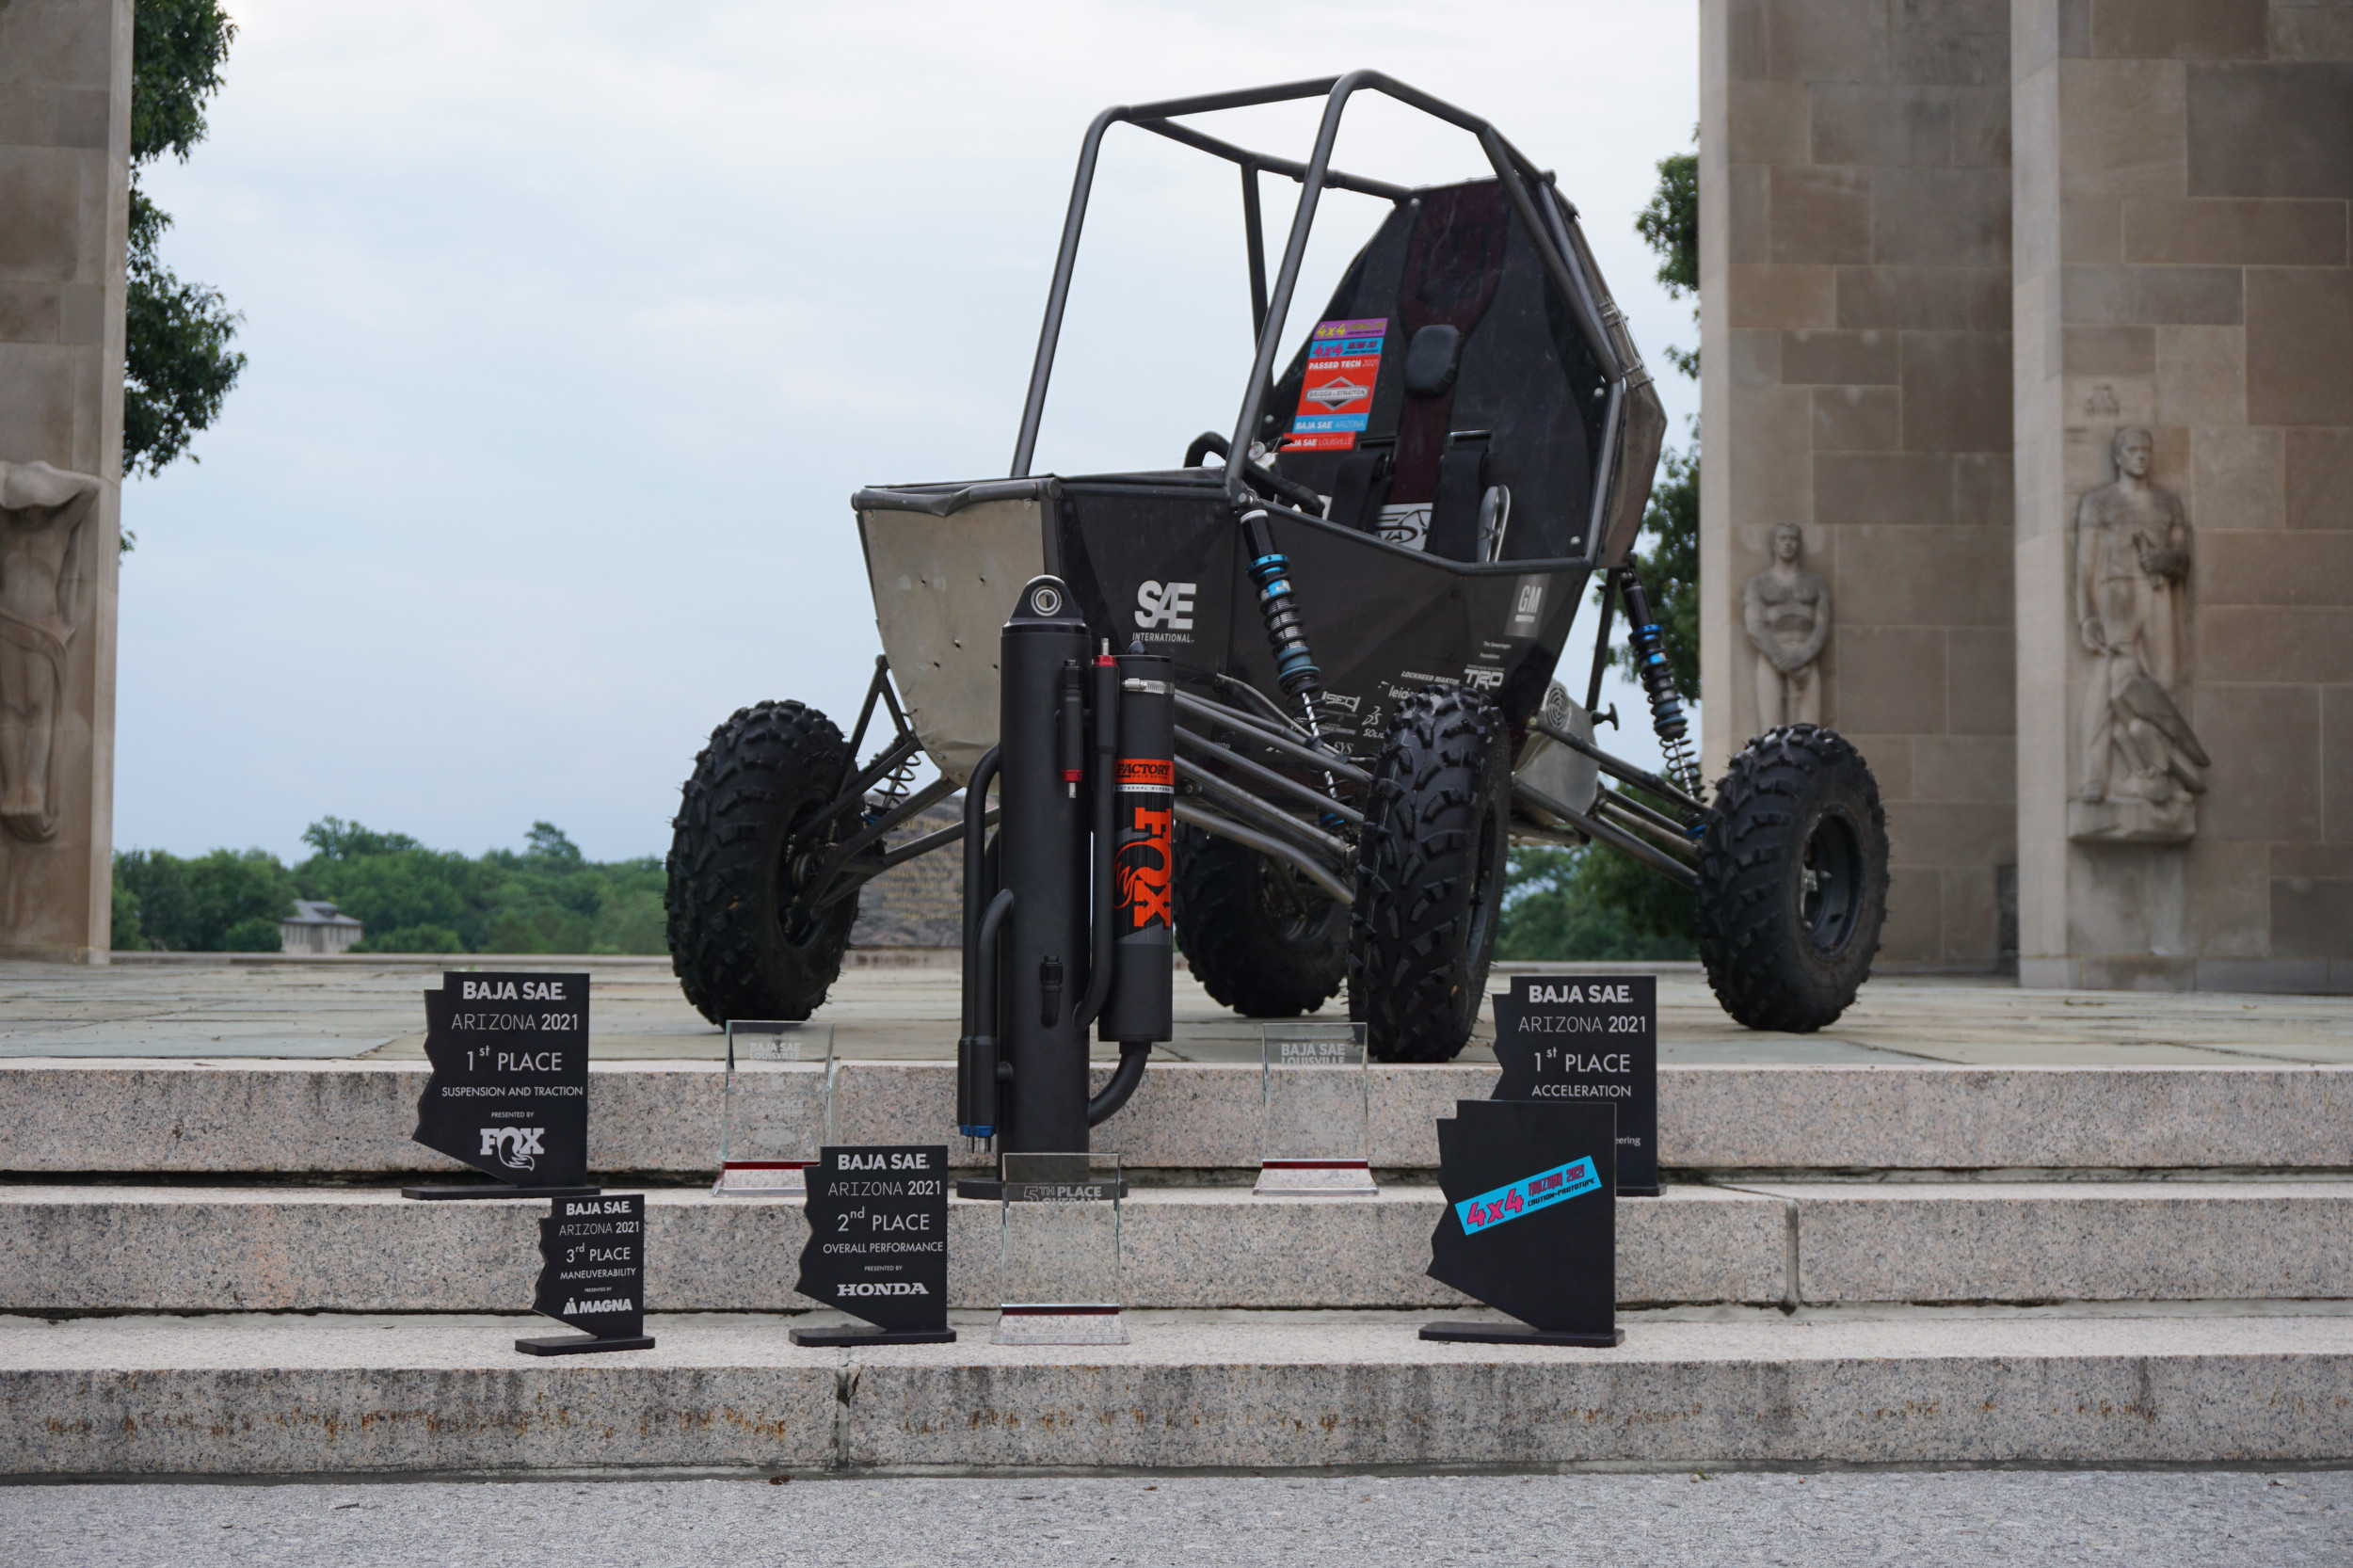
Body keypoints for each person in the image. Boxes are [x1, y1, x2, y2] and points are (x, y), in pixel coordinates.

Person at [2072, 427, 2207, 806]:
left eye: (2145, 449)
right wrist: (2087, 616)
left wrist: (2168, 559)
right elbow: (2085, 566)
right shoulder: (2099, 502)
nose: (2140, 456)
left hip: (2158, 593)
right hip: (2117, 594)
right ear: (2118, 455)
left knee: (2164, 680)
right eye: (2132, 450)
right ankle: (2095, 775)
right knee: (2111, 685)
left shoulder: (2168, 502)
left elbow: (2182, 557)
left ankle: (2160, 766)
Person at [0, 461, 101, 842]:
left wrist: (42, 477)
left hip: (43, 628)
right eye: (20, 501)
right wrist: (11, 478)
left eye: (34, 501)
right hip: (7, 623)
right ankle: (13, 789)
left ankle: (33, 787)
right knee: (10, 708)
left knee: (39, 706)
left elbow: (91, 487)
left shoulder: (58, 529)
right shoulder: (6, 531)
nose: (27, 508)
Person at [1741, 521, 1829, 728]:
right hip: (1772, 654)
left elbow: (1822, 626)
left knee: (1810, 729)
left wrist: (1801, 657)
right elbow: (1754, 626)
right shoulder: (1759, 584)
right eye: (1783, 538)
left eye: (1793, 538)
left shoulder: (1815, 583)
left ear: (1799, 543)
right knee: (1771, 730)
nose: (1788, 543)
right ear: (1774, 543)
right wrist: (1782, 658)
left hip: (1805, 654)